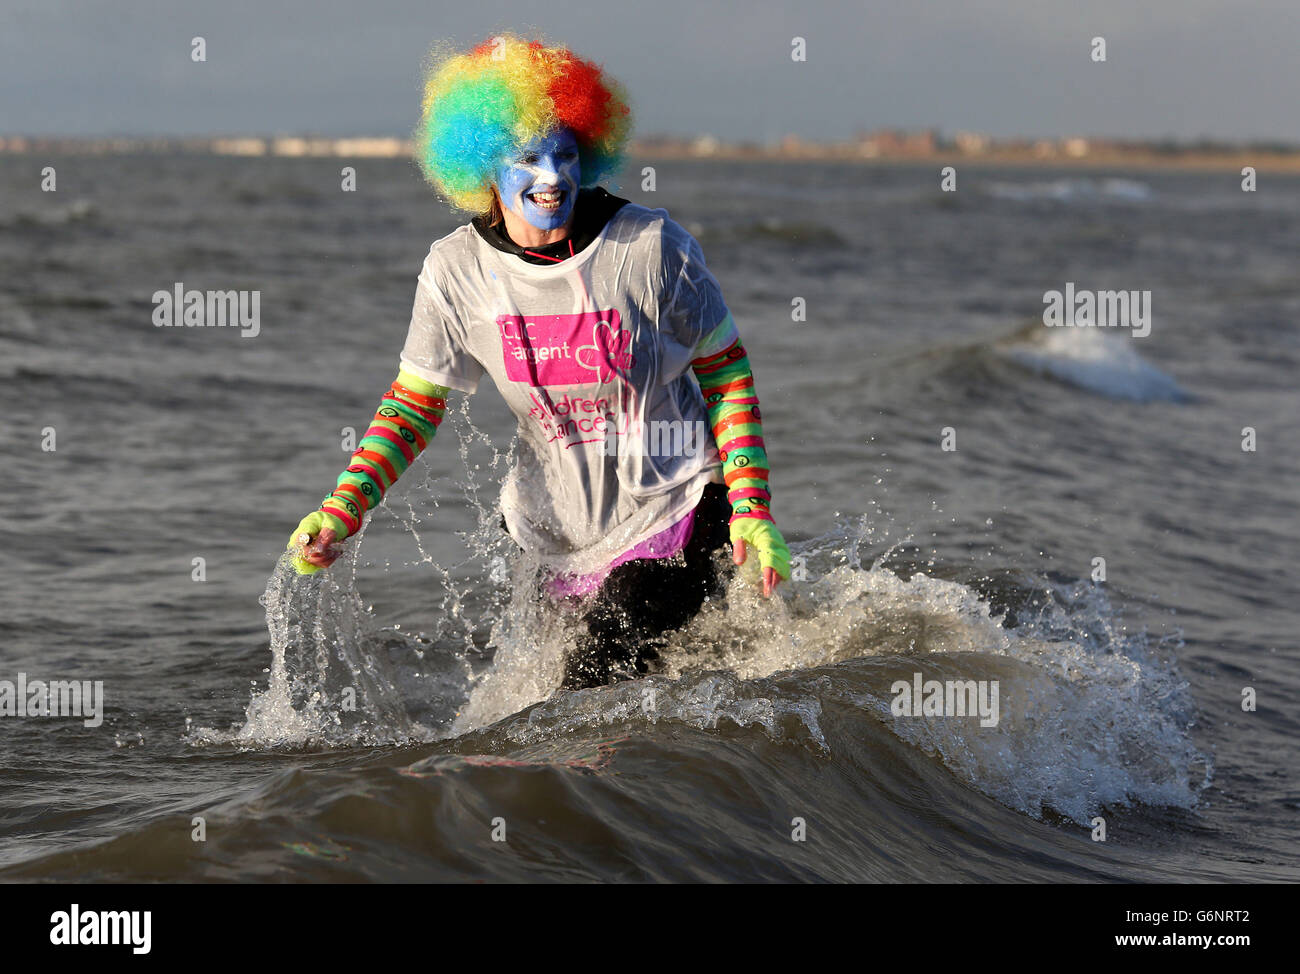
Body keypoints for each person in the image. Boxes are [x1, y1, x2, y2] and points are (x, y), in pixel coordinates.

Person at [287, 35, 791, 689]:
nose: (553, 177)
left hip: (681, 506)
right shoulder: (454, 273)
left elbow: (724, 371)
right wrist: (342, 508)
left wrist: (752, 505)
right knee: (547, 711)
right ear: (484, 168)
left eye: (566, 154)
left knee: (590, 684)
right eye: (529, 158)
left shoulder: (650, 246)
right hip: (557, 539)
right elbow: (412, 409)